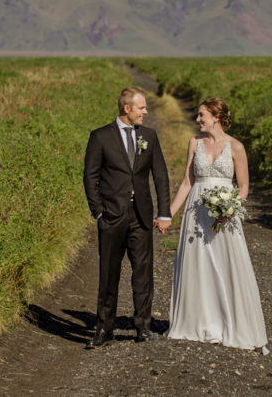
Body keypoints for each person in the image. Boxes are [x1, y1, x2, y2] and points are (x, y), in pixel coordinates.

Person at [166, 97, 268, 353]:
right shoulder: (194, 143)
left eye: (201, 115)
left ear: (215, 116)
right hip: (196, 213)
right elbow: (187, 183)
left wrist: (231, 210)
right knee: (197, 265)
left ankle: (230, 324)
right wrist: (168, 214)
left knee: (226, 265)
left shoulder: (236, 147)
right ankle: (198, 323)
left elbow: (243, 187)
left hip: (225, 216)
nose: (197, 119)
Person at [83, 86, 172, 348]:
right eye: (142, 107)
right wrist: (99, 211)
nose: (146, 111)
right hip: (111, 216)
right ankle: (104, 330)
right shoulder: (100, 136)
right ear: (127, 108)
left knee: (143, 274)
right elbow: (90, 176)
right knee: (108, 274)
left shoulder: (149, 136)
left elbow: (161, 176)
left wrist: (164, 212)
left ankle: (142, 327)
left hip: (141, 217)